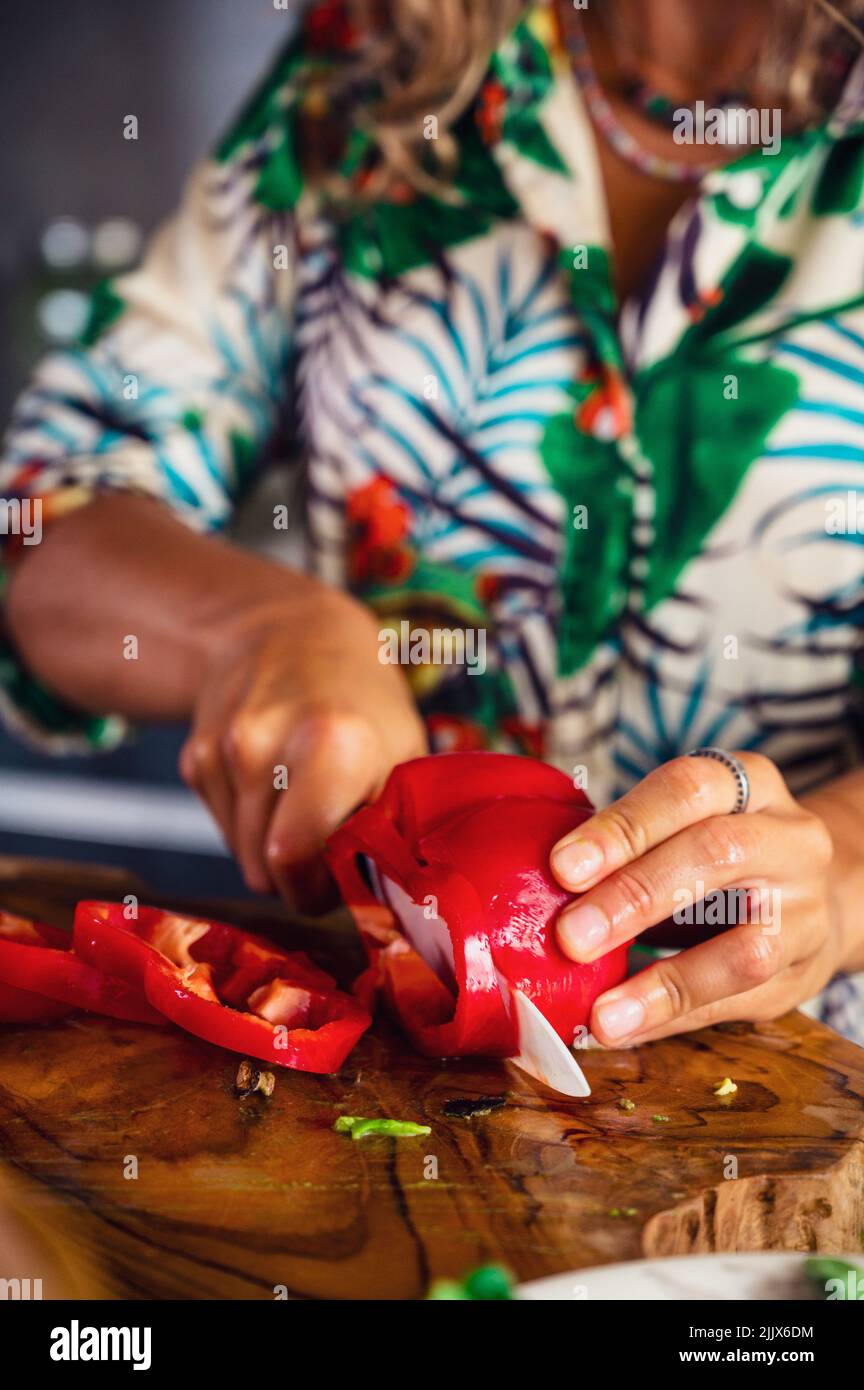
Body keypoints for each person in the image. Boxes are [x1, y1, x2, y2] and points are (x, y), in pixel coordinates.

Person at [3, 0, 864, 1047]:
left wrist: (844, 865)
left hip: (803, 1116)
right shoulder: (370, 67)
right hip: (400, 1073)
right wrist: (264, 631)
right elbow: (38, 513)